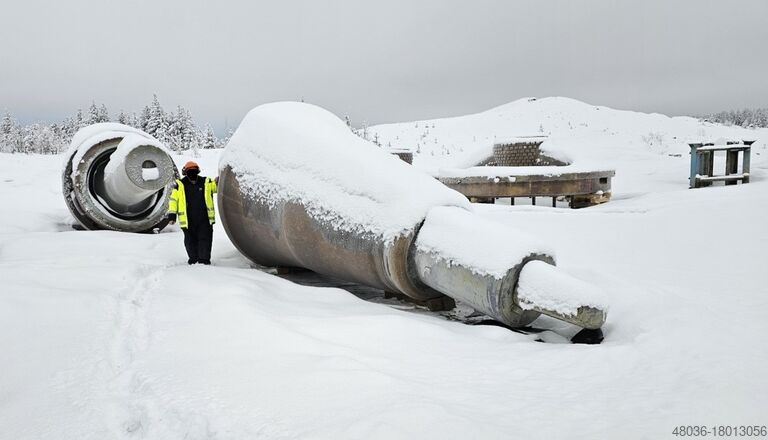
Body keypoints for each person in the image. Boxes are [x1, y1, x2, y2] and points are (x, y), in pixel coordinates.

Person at [167, 161, 218, 265]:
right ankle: (193, 260)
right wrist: (172, 215)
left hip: (205, 219)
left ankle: (204, 260)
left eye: (194, 171)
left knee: (205, 240)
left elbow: (216, 188)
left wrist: (219, 181)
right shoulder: (179, 185)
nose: (192, 173)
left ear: (197, 171)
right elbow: (173, 200)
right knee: (190, 241)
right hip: (187, 220)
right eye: (190, 171)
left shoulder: (206, 182)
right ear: (186, 173)